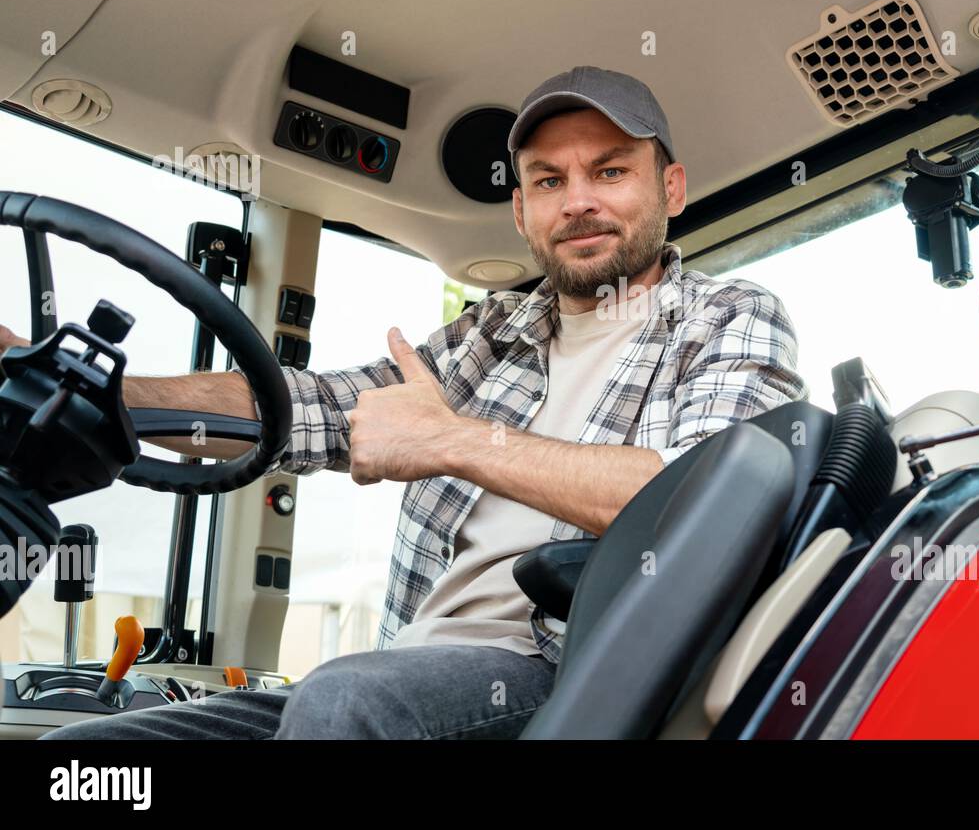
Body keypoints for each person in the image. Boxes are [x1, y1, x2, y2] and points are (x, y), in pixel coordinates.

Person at [4, 65, 808, 739]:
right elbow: (305, 408)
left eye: (610, 170)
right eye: (548, 180)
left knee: (343, 701)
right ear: (522, 210)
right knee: (93, 756)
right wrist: (105, 391)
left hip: (560, 679)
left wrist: (456, 442)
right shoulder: (490, 332)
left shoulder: (728, 317)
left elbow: (702, 502)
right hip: (404, 666)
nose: (578, 202)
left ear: (669, 185)